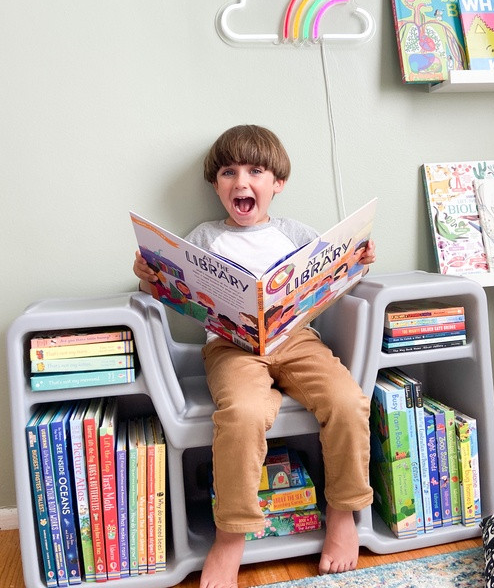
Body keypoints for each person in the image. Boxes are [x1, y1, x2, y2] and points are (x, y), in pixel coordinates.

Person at [134, 124, 376, 588]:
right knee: (243, 413)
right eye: (228, 172)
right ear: (216, 185)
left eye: (255, 171)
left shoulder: (298, 234)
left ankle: (343, 512)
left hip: (297, 340)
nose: (241, 182)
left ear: (276, 183)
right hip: (231, 347)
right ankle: (232, 536)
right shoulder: (204, 238)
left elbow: (332, 284)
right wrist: (147, 276)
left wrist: (359, 261)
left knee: (347, 401)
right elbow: (168, 290)